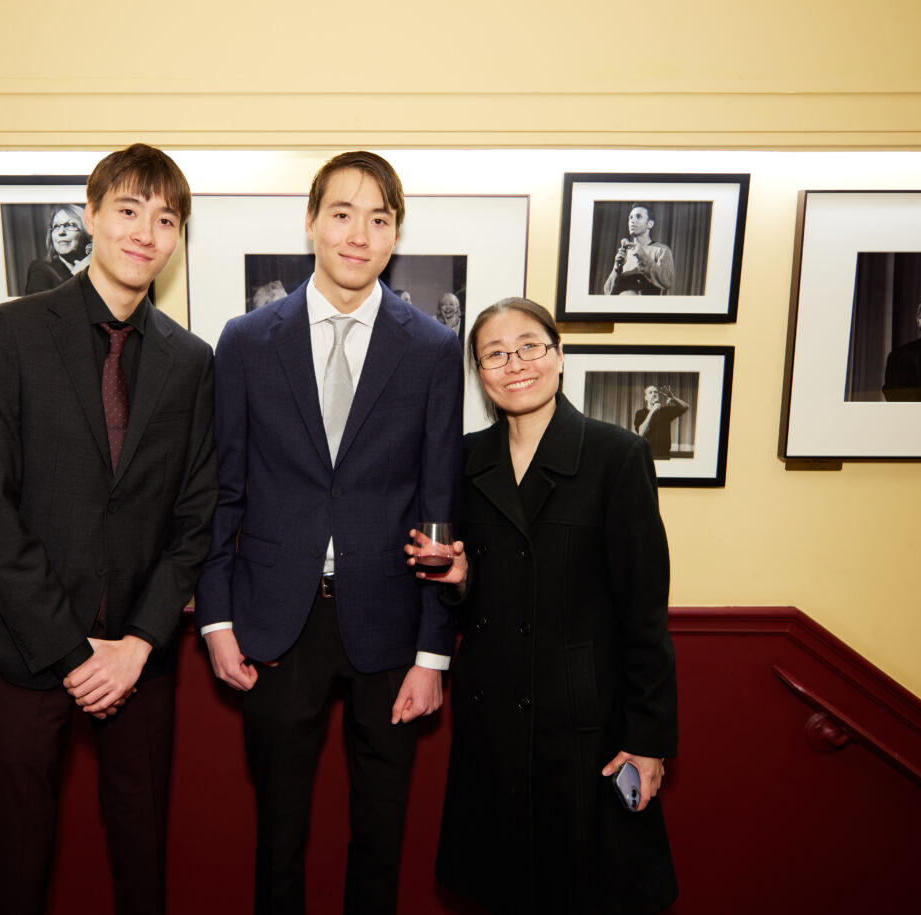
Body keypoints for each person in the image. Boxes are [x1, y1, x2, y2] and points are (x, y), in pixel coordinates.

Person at [196, 150, 464, 913]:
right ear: (311, 222)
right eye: (342, 214)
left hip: (390, 622)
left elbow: (439, 499)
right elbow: (226, 487)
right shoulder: (247, 340)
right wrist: (215, 618)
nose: (359, 234)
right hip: (277, 618)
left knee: (381, 831)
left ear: (394, 235)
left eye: (379, 219)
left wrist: (433, 651)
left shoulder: (433, 350)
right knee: (278, 830)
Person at [0, 144, 216, 915]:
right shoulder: (7, 333)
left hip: (141, 653)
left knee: (143, 860)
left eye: (166, 219)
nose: (146, 232)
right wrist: (71, 653)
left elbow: (196, 516)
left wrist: (136, 645)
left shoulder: (192, 360)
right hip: (27, 644)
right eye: (130, 210)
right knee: (17, 860)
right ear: (93, 214)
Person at [416, 297, 678, 914]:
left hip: (586, 724)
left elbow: (645, 611)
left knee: (585, 893)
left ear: (559, 356)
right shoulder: (464, 459)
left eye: (530, 346)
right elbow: (477, 591)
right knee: (498, 892)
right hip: (492, 722)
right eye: (495, 354)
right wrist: (458, 577)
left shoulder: (617, 455)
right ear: (479, 373)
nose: (515, 364)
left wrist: (649, 739)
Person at [603, 203, 675, 296]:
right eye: (630, 218)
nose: (632, 221)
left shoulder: (661, 250)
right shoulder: (625, 253)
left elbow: (667, 281)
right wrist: (616, 268)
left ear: (650, 224)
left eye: (638, 216)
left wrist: (642, 256)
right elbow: (607, 293)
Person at [23, 204, 92, 295]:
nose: (61, 232)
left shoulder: (100, 272)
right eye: (56, 226)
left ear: (87, 233)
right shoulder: (41, 270)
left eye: (70, 225)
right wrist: (77, 275)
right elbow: (38, 307)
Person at [635, 383, 689, 459]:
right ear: (646, 398)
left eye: (655, 392)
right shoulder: (640, 413)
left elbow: (685, 407)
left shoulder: (665, 411)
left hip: (664, 455)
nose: (654, 394)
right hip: (646, 454)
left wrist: (673, 398)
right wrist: (652, 411)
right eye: (650, 392)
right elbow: (641, 433)